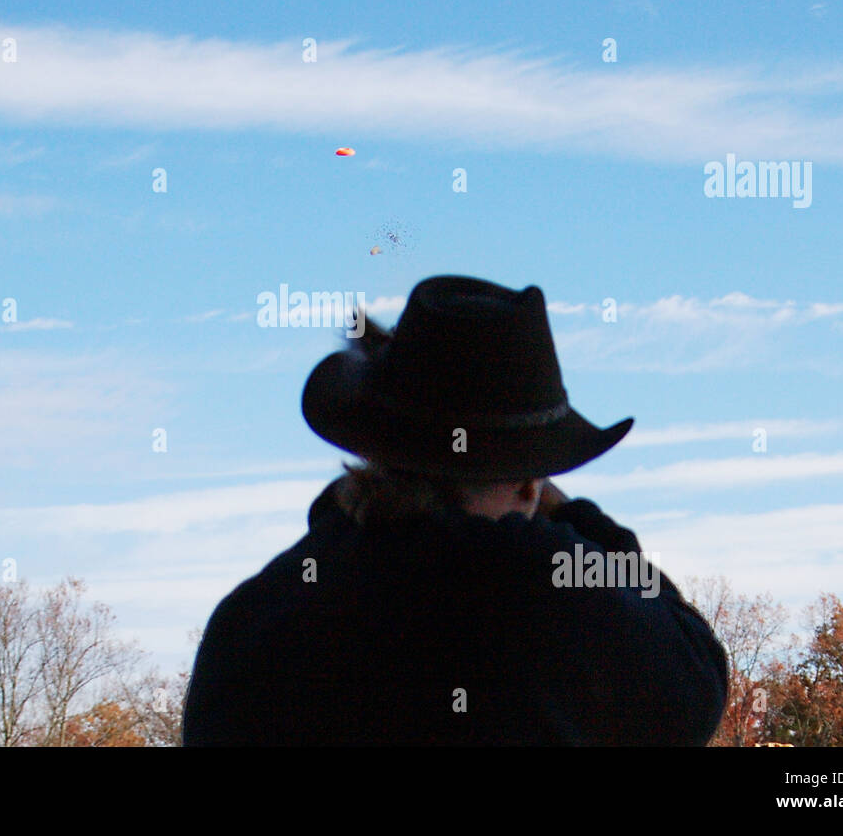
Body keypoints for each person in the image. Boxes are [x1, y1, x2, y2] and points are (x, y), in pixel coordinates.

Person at [182, 275, 728, 745]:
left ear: (377, 447)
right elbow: (693, 681)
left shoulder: (254, 614)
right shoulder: (542, 587)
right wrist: (572, 515)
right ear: (526, 484)